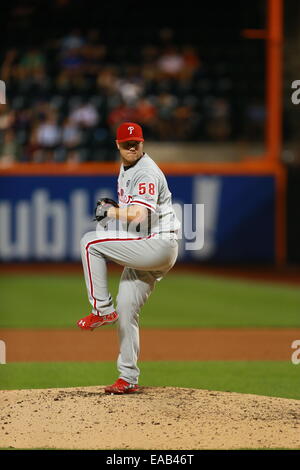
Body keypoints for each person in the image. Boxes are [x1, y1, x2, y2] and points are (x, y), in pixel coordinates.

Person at [77, 122, 180, 394]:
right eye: (127, 143)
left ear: (143, 143)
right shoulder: (127, 169)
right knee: (126, 311)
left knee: (89, 243)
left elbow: (138, 216)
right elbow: (133, 214)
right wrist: (115, 209)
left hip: (157, 243)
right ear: (118, 145)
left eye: (136, 143)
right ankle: (128, 378)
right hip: (149, 244)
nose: (132, 147)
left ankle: (101, 308)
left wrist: (110, 213)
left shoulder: (145, 172)